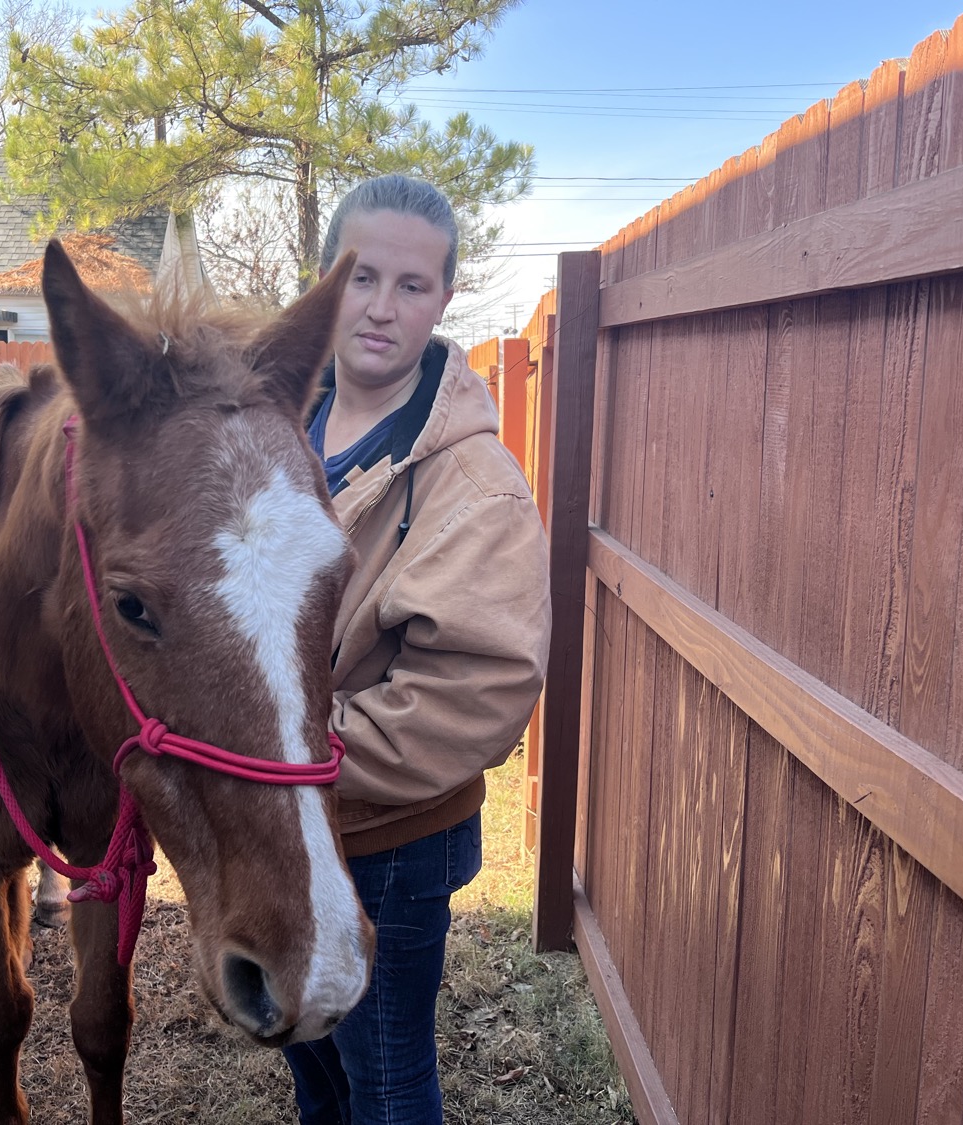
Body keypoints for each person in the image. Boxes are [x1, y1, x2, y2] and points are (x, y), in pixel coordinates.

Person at [281, 175, 552, 1123]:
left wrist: (297, 753)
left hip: (389, 842)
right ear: (325, 284)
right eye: (361, 278)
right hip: (291, 824)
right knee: (311, 1055)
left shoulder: (475, 485)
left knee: (386, 1078)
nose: (382, 308)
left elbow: (477, 687)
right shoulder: (281, 428)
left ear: (444, 298)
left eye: (411, 285)